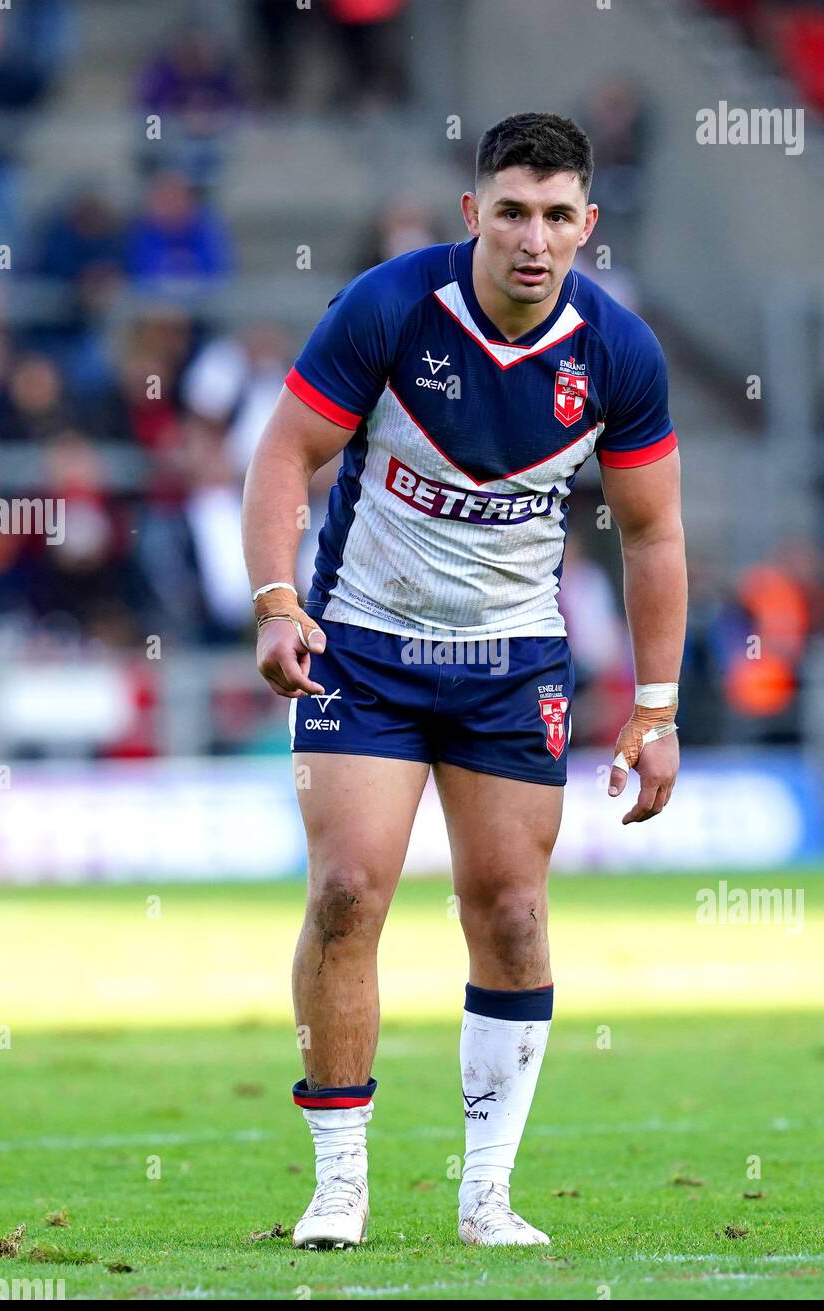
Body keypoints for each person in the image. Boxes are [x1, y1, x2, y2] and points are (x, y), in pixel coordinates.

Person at [241, 112, 687, 1249]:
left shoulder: (619, 352)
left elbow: (651, 536)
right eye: (511, 213)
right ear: (469, 214)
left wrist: (655, 707)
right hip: (367, 648)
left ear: (586, 225)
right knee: (347, 893)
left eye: (555, 218)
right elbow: (287, 454)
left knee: (515, 913)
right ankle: (339, 1182)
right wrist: (277, 601)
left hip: (510, 662)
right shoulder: (390, 307)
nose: (532, 240)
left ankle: (486, 1190)